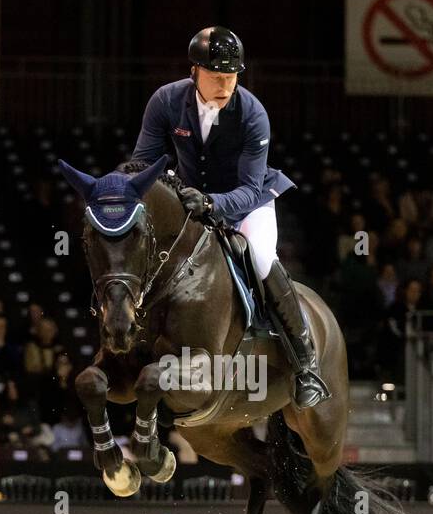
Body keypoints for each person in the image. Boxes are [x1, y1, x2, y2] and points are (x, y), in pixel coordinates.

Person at [129, 25, 328, 409]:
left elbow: (251, 188)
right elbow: (143, 162)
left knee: (259, 255)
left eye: (231, 77)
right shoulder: (166, 101)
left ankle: (305, 363)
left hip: (247, 204)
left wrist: (211, 205)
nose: (225, 85)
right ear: (194, 72)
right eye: (216, 77)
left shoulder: (252, 114)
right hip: (191, 200)